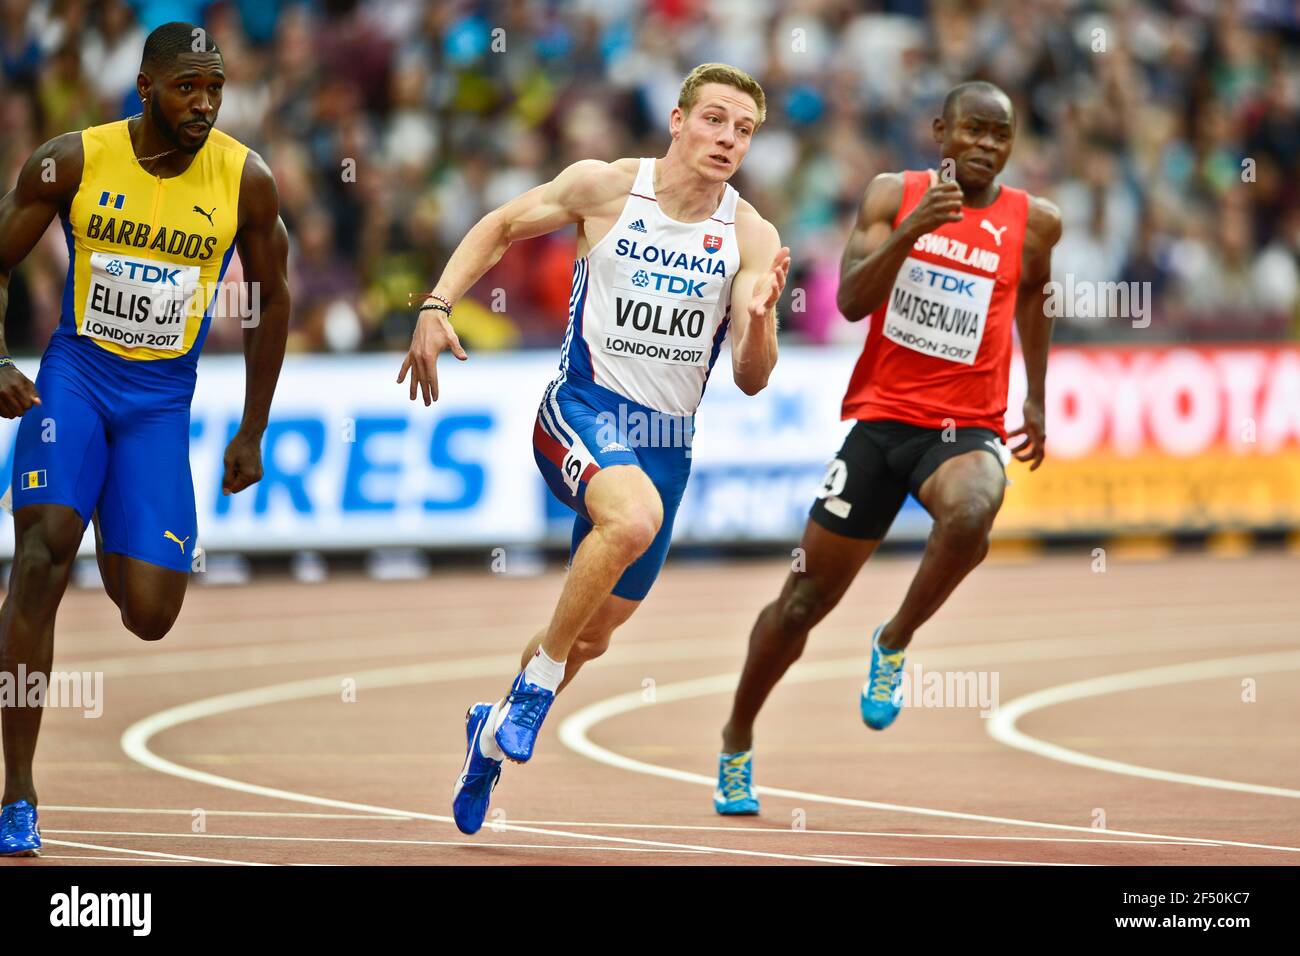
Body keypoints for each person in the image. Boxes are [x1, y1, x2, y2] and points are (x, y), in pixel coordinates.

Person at [398, 63, 790, 835]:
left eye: (743, 130)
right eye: (714, 120)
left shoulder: (750, 234)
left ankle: (489, 730)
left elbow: (750, 378)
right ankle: (536, 688)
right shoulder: (607, 187)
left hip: (667, 443)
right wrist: (438, 304)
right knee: (632, 519)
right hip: (581, 404)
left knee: (597, 634)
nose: (727, 139)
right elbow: (502, 225)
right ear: (677, 121)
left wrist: (763, 319)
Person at [713, 81, 1062, 815]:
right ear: (941, 131)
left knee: (973, 512)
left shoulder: (1035, 223)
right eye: (974, 132)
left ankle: (894, 640)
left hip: (966, 428)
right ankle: (738, 738)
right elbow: (849, 300)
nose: (987, 148)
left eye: (1001, 137)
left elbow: (1035, 294)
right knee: (802, 603)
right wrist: (914, 232)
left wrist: (1033, 393)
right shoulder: (890, 195)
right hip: (882, 424)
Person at [0, 22, 290, 855]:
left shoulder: (246, 181)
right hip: (77, 380)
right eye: (186, 88)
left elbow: (272, 300)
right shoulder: (74, 160)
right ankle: (17, 792)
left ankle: (97, 507)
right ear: (145, 87)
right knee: (39, 559)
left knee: (152, 615)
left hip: (160, 401)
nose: (203, 105)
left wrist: (253, 427)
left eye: (215, 90)